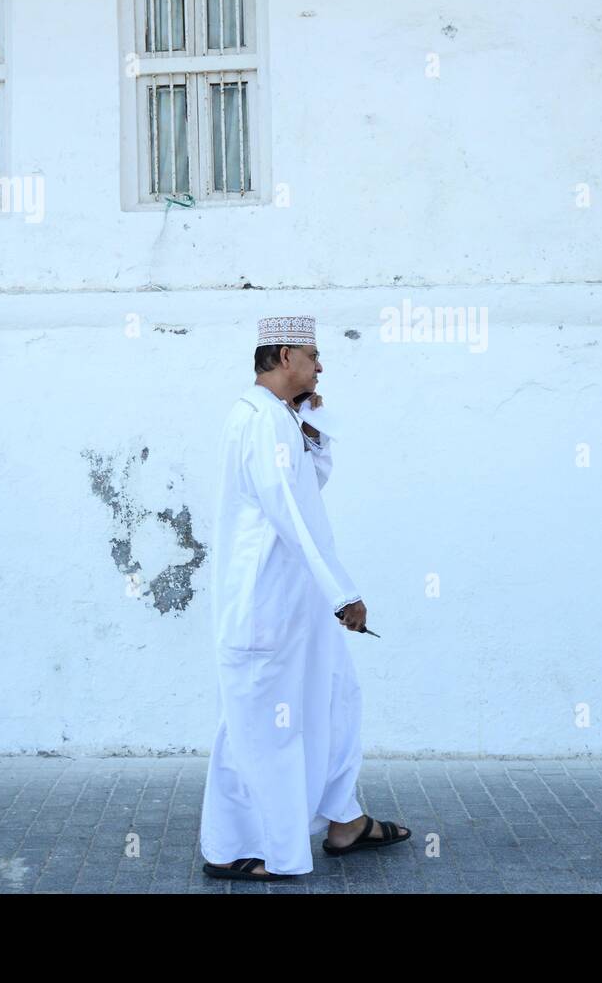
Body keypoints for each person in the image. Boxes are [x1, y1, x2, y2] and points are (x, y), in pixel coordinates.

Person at [200, 315, 411, 880]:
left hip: (298, 606)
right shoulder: (259, 421)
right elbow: (291, 515)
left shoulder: (279, 418)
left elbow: (307, 486)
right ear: (285, 355)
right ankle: (240, 848)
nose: (321, 366)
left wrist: (310, 422)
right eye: (313, 355)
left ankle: (345, 820)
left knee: (338, 699)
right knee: (262, 726)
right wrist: (345, 594)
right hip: (266, 606)